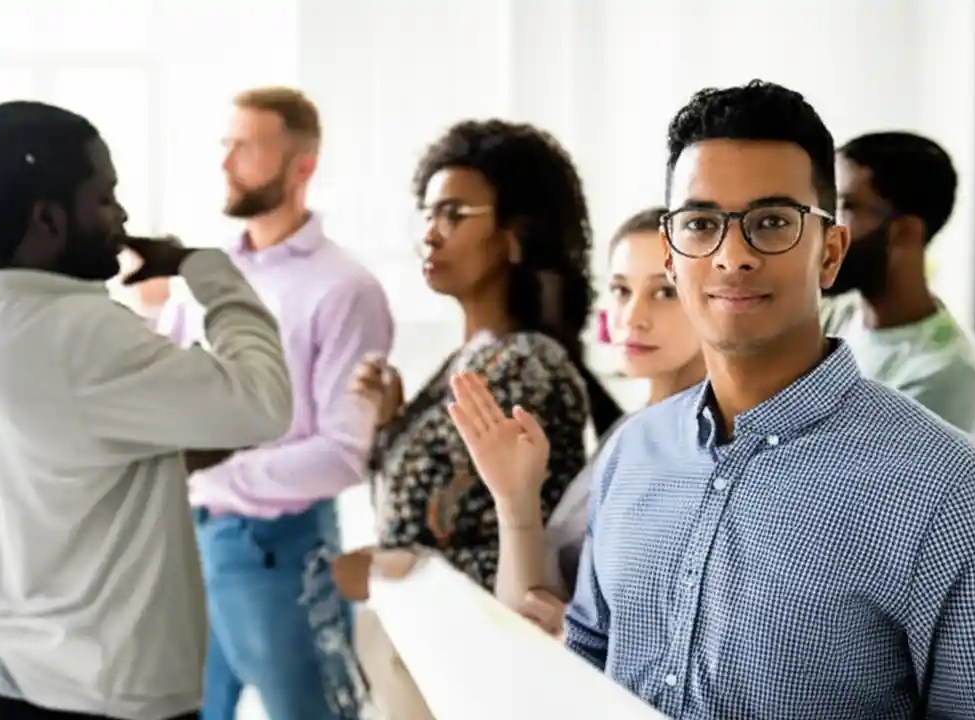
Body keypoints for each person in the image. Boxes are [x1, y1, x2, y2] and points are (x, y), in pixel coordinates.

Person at [468, 82, 975, 717]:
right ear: (671, 255)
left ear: (829, 252)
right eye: (700, 225)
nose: (732, 256)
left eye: (772, 223)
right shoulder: (633, 454)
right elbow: (587, 663)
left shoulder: (953, 495)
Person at [0, 101, 292, 720]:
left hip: (30, 680)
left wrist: (199, 430)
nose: (122, 216)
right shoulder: (82, 334)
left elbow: (93, 466)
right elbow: (263, 402)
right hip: (110, 697)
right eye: (104, 198)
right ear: (47, 218)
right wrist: (204, 269)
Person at [334, 119, 621, 719]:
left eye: (454, 214)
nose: (430, 236)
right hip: (422, 656)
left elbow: (528, 553)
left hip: (469, 670)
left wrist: (401, 571)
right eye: (427, 215)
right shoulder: (471, 358)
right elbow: (425, 514)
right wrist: (389, 426)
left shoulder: (523, 366)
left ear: (515, 234)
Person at [155, 86, 393, 720]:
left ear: (301, 166)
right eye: (224, 145)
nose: (226, 162)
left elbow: (345, 453)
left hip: (279, 555)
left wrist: (210, 470)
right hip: (186, 541)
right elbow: (165, 387)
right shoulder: (202, 275)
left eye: (246, 148)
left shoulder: (345, 289)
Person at [447, 206, 706, 635]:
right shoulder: (628, 434)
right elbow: (525, 612)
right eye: (621, 291)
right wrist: (516, 500)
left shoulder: (709, 452)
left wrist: (578, 637)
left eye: (665, 293)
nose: (632, 317)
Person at [823, 131, 975, 446]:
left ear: (904, 231)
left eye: (846, 208)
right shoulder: (834, 318)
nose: (827, 231)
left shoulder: (947, 374)